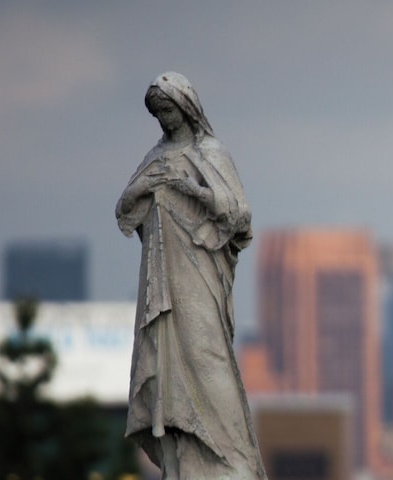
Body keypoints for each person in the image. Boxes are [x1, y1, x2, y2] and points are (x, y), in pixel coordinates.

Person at [116, 72, 265, 479]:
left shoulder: (210, 152)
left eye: (168, 110)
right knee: (168, 365)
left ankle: (232, 462)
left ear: (186, 108)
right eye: (157, 113)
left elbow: (239, 215)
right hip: (164, 278)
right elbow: (125, 210)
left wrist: (189, 188)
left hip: (200, 274)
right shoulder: (155, 157)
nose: (164, 119)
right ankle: (184, 461)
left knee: (208, 357)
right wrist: (150, 185)